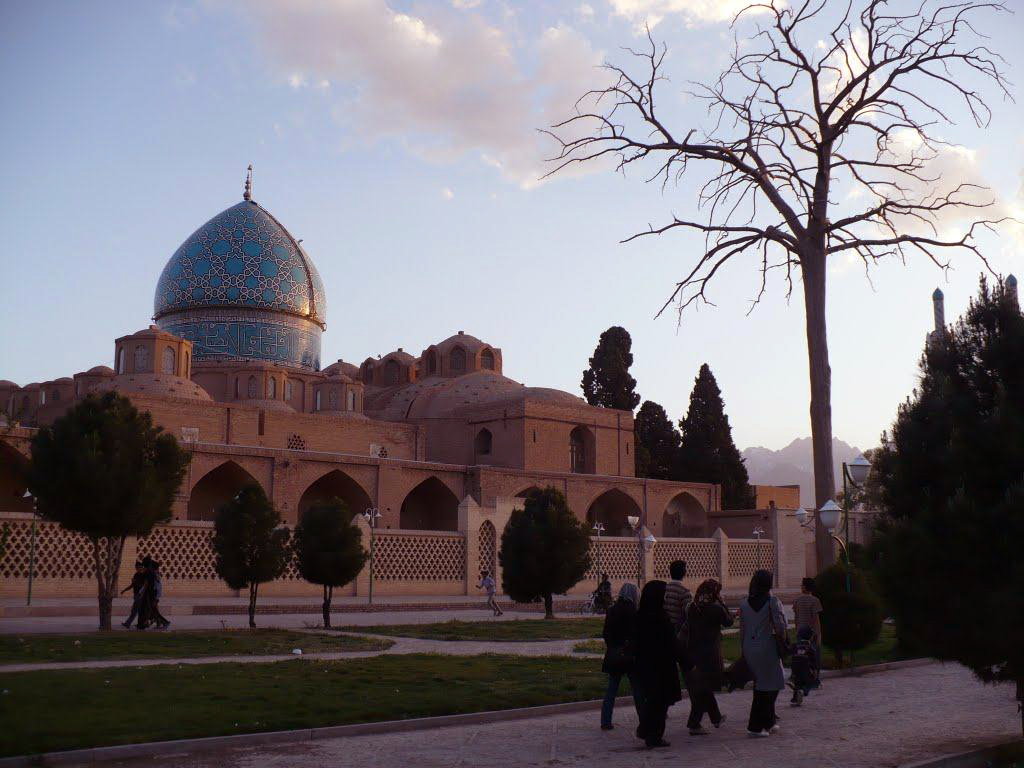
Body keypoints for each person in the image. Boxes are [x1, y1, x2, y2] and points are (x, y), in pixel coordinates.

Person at [739, 569, 788, 737]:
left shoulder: (744, 603)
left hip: (749, 647)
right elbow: (780, 626)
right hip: (766, 647)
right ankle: (755, 726)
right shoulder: (772, 601)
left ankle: (769, 721)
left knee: (763, 684)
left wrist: (743, 650)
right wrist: (783, 639)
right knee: (769, 685)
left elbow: (742, 630)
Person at [633, 580, 681, 749]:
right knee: (660, 703)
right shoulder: (661, 618)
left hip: (644, 666)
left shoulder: (640, 616)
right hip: (662, 668)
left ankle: (646, 729)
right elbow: (672, 644)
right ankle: (653, 735)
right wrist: (687, 663)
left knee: (653, 701)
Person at [685, 578, 733, 735]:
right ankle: (697, 722)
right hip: (710, 653)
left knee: (703, 688)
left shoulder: (692, 607)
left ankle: (712, 718)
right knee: (704, 688)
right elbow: (729, 621)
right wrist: (722, 603)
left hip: (694, 652)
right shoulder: (715, 609)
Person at [600, 582, 641, 730]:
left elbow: (605, 633)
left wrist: (613, 646)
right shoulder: (634, 611)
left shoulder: (611, 610)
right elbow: (636, 634)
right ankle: (643, 719)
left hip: (614, 654)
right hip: (630, 656)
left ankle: (605, 720)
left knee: (611, 689)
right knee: (637, 690)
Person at [792, 577, 823, 660]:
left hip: (800, 631)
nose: (801, 586)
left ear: (805, 587)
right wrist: (818, 634)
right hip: (811, 632)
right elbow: (816, 619)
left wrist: (796, 630)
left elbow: (796, 617)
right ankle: (815, 670)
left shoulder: (797, 600)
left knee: (800, 655)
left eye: (802, 585)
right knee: (814, 654)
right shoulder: (815, 601)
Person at [789, 626, 820, 706]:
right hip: (806, 669)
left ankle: (796, 699)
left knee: (797, 683)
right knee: (809, 682)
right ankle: (804, 691)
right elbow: (813, 660)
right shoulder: (810, 648)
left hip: (795, 668)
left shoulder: (795, 645)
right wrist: (815, 670)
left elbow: (790, 652)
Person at [120, 561, 146, 629]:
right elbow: (132, 585)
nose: (138, 569)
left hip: (140, 595)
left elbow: (144, 586)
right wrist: (124, 590)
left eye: (139, 567)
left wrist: (136, 582)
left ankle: (128, 623)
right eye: (137, 567)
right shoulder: (136, 575)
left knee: (134, 610)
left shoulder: (143, 575)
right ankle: (142, 623)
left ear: (142, 567)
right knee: (139, 610)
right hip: (136, 595)